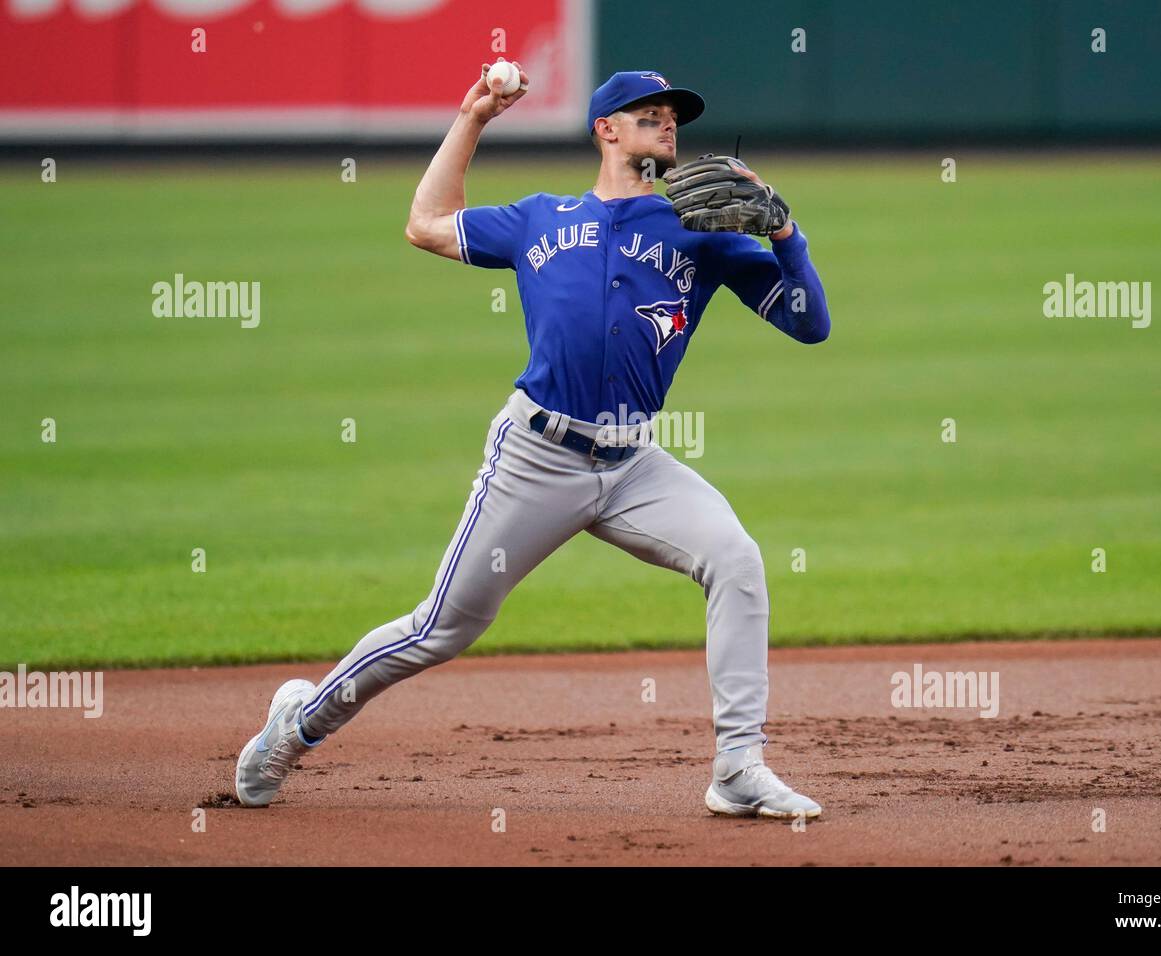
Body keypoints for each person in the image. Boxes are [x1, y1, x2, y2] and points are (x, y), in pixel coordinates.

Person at [235, 63, 831, 819]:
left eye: (675, 115)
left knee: (736, 558)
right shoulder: (539, 217)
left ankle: (739, 766)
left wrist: (785, 232)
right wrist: (473, 116)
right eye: (648, 111)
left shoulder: (701, 233)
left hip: (634, 464)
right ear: (605, 129)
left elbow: (810, 324)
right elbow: (423, 224)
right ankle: (300, 723)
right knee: (442, 628)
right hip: (536, 459)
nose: (668, 122)